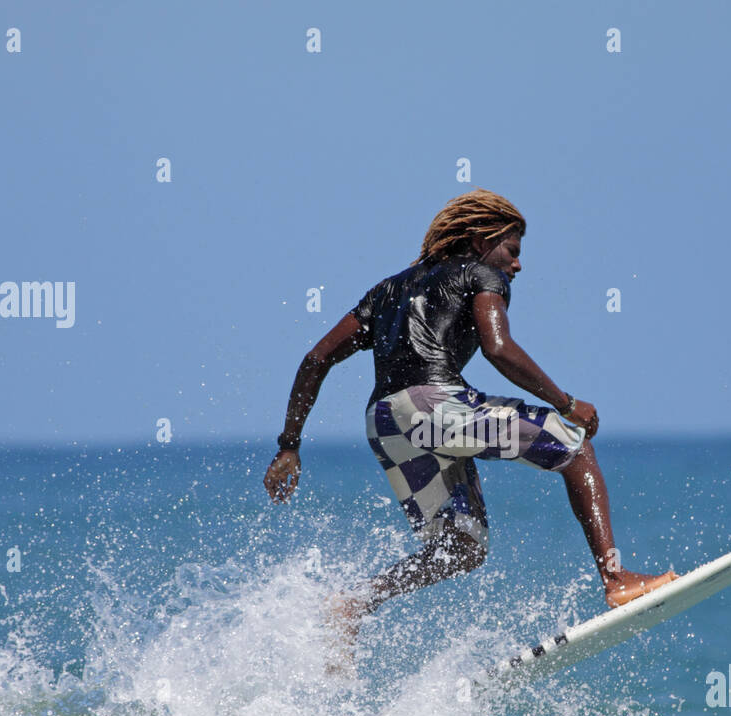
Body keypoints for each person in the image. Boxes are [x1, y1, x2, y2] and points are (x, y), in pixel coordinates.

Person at [263, 188, 677, 642]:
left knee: (460, 547)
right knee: (575, 447)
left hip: (384, 421)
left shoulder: (385, 291)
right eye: (512, 250)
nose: (517, 265)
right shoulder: (483, 274)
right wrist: (566, 403)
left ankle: (353, 602)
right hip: (434, 406)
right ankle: (616, 580)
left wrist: (289, 445)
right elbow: (499, 349)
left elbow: (316, 358)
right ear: (482, 239)